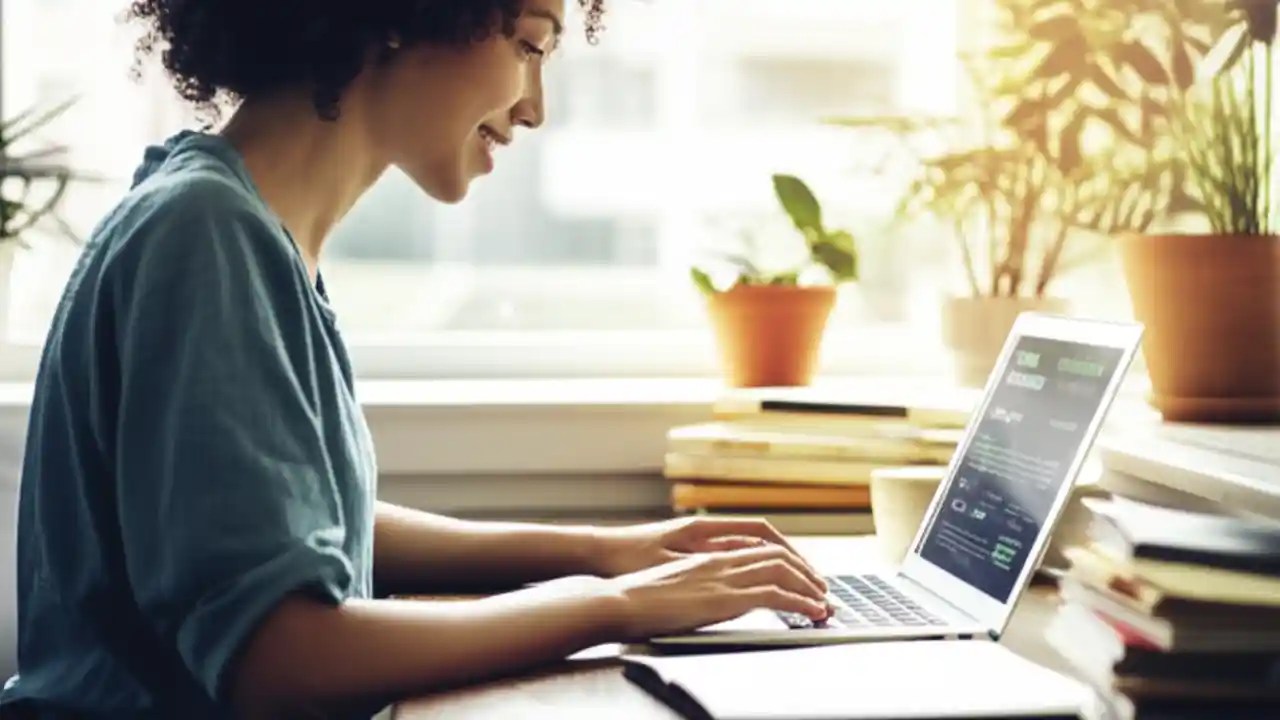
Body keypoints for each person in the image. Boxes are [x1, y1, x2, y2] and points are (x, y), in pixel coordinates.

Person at [0, 1, 835, 719]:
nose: (534, 106)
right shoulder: (208, 237)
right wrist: (613, 604)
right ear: (403, 15)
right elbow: (284, 658)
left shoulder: (233, 219)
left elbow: (287, 527)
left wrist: (602, 549)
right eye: (530, 46)